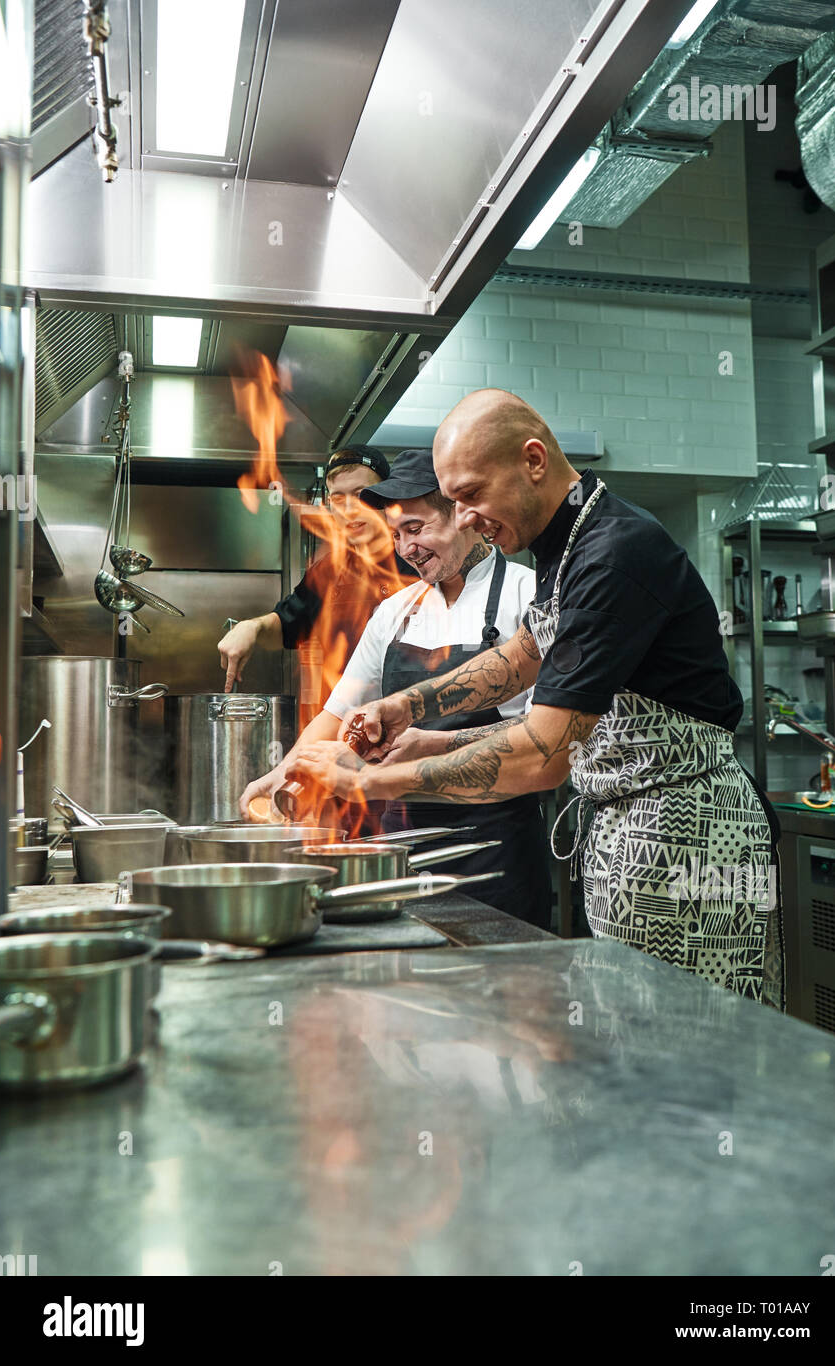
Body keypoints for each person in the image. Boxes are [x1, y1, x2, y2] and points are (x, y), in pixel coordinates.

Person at [285, 389, 784, 1009]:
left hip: (688, 839)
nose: (464, 518)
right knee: (630, 1037)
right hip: (630, 827)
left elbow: (544, 752)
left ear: (533, 460)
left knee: (694, 1044)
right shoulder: (566, 540)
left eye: (470, 495)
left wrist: (374, 783)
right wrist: (410, 710)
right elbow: (523, 656)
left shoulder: (613, 553)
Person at [239, 449, 555, 928]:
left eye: (416, 529)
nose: (405, 549)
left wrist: (428, 746)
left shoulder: (527, 595)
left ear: (465, 517)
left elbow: (543, 736)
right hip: (402, 845)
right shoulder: (396, 611)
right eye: (396, 534)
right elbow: (338, 713)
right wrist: (285, 771)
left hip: (496, 845)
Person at [217, 444, 414, 700]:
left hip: (412, 723)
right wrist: (252, 627)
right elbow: (287, 624)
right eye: (338, 497)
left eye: (362, 493)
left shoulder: (418, 559)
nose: (350, 508)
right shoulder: (329, 571)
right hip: (344, 722)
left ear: (387, 497)